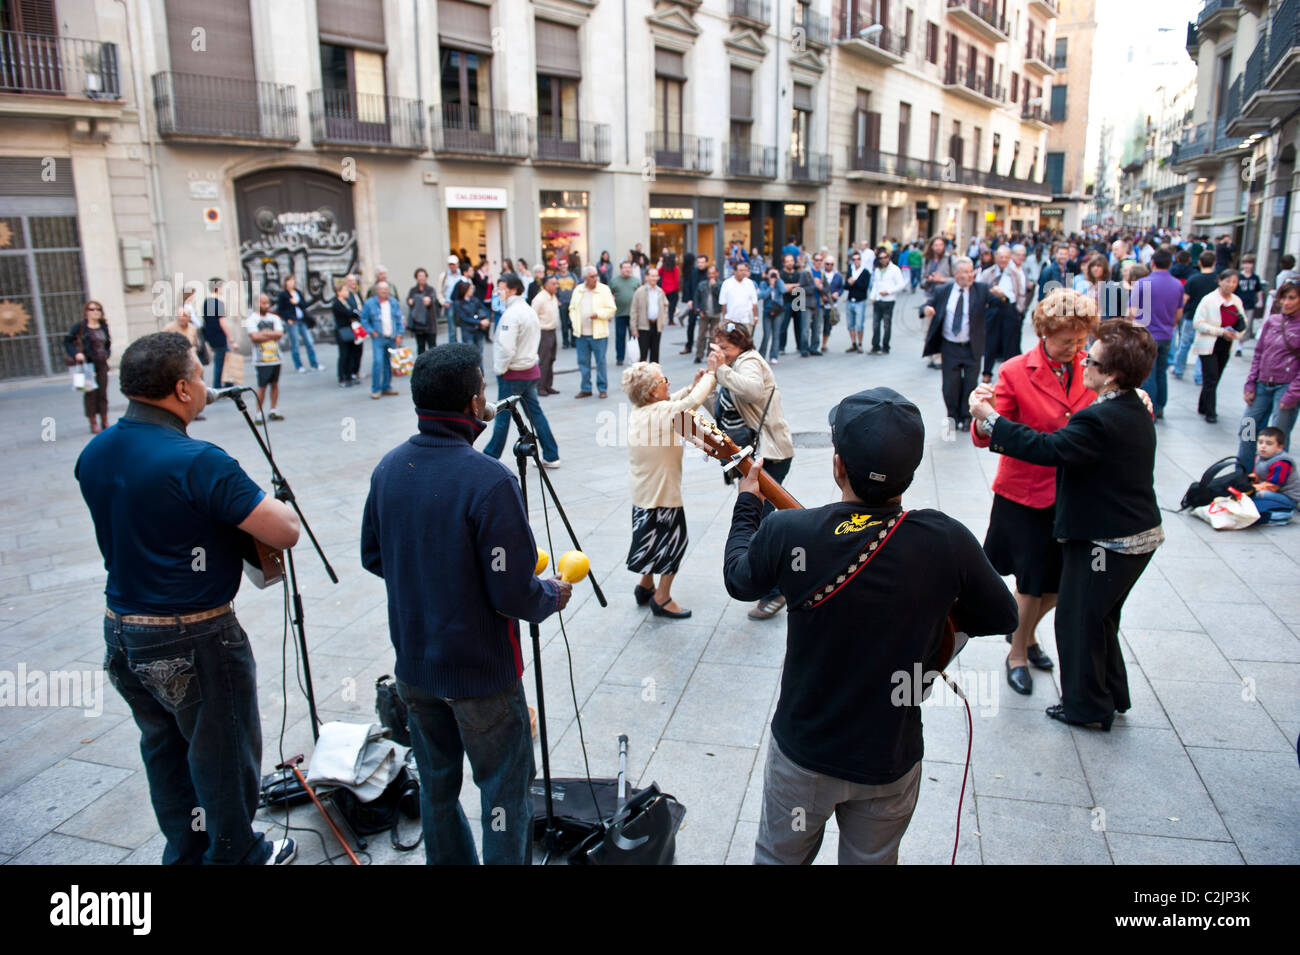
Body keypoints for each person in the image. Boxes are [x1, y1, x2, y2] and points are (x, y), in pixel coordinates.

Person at [723, 387, 1018, 864]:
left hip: (805, 754)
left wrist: (747, 505)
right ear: (912, 471)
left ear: (837, 464)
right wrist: (938, 647)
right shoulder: (947, 540)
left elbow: (739, 578)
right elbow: (1004, 615)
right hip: (889, 755)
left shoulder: (789, 531)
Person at [76, 331, 301, 864]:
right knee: (221, 751)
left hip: (123, 629)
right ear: (180, 389)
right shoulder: (197, 460)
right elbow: (285, 530)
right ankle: (235, 851)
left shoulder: (96, 451)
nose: (205, 383)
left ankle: (186, 848)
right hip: (194, 634)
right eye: (199, 374)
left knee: (165, 750)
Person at [361, 344, 573, 864]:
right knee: (503, 793)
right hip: (481, 674)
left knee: (436, 787)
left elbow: (373, 556)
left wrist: (433, 574)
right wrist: (551, 594)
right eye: (482, 387)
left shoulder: (390, 467)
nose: (487, 396)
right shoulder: (489, 479)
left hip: (415, 668)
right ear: (472, 401)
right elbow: (512, 592)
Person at [970, 321, 1161, 731]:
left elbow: (1047, 448)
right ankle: (1111, 695)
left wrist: (990, 420)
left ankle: (1086, 708)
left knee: (1078, 621)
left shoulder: (1100, 418)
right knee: (1102, 618)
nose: (1081, 360)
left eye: (1089, 357)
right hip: (1127, 534)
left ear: (1110, 374)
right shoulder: (1133, 405)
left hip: (1108, 543)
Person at [971, 289, 1098, 695]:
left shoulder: (1090, 366)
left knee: (1061, 584)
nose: (1076, 349)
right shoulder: (1014, 370)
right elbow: (986, 431)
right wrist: (981, 413)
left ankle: (1023, 635)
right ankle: (1018, 654)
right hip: (1025, 494)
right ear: (1045, 333)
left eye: (1081, 341)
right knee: (1030, 582)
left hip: (1074, 493)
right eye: (1067, 341)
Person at [706, 323, 795, 620]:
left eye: (726, 349)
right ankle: (777, 587)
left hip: (770, 453)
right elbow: (729, 409)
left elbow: (753, 391)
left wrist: (720, 370)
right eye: (719, 349)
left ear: (740, 346)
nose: (723, 354)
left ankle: (776, 590)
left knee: (763, 525)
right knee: (762, 520)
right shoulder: (736, 365)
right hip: (757, 454)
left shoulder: (750, 362)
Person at [621, 354, 719, 619]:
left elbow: (675, 400)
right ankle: (662, 598)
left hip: (643, 492)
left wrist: (693, 384)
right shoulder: (662, 412)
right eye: (663, 381)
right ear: (653, 391)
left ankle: (646, 585)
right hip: (663, 494)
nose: (667, 383)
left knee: (651, 539)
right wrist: (711, 373)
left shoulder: (641, 410)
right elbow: (690, 403)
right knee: (675, 543)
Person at [483, 275, 561, 467]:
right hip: (529, 369)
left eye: (501, 288)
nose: (498, 292)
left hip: (514, 372)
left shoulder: (512, 314)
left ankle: (490, 458)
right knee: (535, 413)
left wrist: (500, 368)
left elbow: (506, 347)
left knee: (502, 416)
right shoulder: (527, 310)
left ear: (512, 290)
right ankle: (551, 454)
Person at [922, 257, 990, 430]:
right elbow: (927, 305)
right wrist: (927, 310)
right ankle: (952, 415)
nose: (970, 275)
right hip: (950, 346)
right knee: (950, 386)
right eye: (966, 271)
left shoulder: (981, 290)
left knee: (970, 384)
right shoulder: (943, 290)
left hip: (971, 346)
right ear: (956, 274)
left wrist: (1002, 296)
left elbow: (999, 303)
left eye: (971, 271)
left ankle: (967, 417)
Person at [1238, 281, 1300, 470]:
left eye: (1292, 298)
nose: (1286, 302)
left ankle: (1274, 480)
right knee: (1247, 428)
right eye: (1283, 297)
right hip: (1262, 384)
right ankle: (1242, 475)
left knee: (1277, 437)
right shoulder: (1272, 321)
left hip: (1286, 387)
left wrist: (1293, 393)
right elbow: (1259, 353)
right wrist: (1250, 383)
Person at [1134, 248, 1183, 420]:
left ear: (1152, 263)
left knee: (1149, 373)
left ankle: (1151, 408)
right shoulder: (1177, 285)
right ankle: (1161, 405)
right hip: (1166, 334)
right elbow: (1178, 314)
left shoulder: (1142, 283)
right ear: (1170, 264)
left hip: (1147, 334)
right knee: (1161, 371)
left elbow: (1133, 311)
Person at [1191, 269, 1245, 423]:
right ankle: (1210, 411)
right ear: (1220, 281)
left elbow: (1243, 323)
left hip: (1226, 344)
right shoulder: (1209, 300)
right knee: (1211, 377)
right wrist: (1220, 331)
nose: (1231, 285)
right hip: (1209, 343)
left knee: (1215, 377)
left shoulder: (1236, 301)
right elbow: (1198, 323)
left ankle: (1203, 404)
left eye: (1234, 282)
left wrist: (1235, 334)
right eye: (1227, 281)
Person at [64, 299, 112, 433]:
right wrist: (76, 354)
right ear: (86, 312)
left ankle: (104, 420)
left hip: (101, 364)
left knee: (102, 392)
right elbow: (67, 342)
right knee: (90, 393)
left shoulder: (103, 326)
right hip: (86, 364)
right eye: (92, 309)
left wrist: (107, 354)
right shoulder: (80, 327)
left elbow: (107, 343)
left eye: (98, 309)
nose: (95, 312)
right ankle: (93, 422)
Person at [1172, 250, 1220, 382]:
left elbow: (1184, 299)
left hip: (1191, 316)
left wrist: (1178, 314)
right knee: (1204, 348)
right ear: (1214, 263)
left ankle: (1178, 369)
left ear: (1199, 262)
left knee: (1184, 344)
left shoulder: (1193, 279)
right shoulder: (1217, 280)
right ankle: (1199, 376)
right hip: (1210, 319)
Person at [568, 265, 615, 398]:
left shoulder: (604, 289)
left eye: (596, 275)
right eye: (592, 276)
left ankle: (602, 388)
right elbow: (572, 308)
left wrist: (598, 314)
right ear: (585, 278)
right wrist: (574, 322)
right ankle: (586, 388)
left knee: (600, 362)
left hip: (599, 334)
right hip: (581, 333)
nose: (595, 278)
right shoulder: (578, 290)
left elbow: (611, 308)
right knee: (583, 362)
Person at [360, 281, 405, 399]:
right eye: (381, 289)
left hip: (391, 337)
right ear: (377, 290)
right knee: (378, 362)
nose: (384, 291)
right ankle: (375, 389)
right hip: (378, 338)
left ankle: (386, 386)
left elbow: (399, 319)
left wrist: (400, 334)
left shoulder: (393, 302)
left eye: (386, 289)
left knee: (389, 363)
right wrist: (371, 331)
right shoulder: (370, 303)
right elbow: (364, 319)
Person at [246, 293, 285, 422]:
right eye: (263, 303)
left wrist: (264, 333)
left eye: (267, 303)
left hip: (275, 357)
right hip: (261, 359)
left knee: (275, 384)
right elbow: (254, 337)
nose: (266, 305)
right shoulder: (252, 319)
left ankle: (273, 409)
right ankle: (258, 412)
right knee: (262, 386)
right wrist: (271, 334)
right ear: (257, 304)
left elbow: (279, 334)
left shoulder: (274, 318)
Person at [1249, 427, 1299, 525]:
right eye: (1260, 442)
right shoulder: (1260, 457)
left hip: (1288, 497)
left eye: (1269, 444)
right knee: (1250, 499)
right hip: (1274, 492)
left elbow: (1273, 486)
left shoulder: (1281, 462)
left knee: (1260, 494)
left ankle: (1282, 514)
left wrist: (1251, 488)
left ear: (1279, 447)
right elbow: (1256, 475)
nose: (1263, 446)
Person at [275, 274, 321, 373]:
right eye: (289, 281)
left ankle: (314, 364)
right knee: (295, 344)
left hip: (302, 320)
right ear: (286, 282)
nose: (291, 283)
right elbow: (280, 310)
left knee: (309, 342)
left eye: (293, 281)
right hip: (292, 322)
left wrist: (297, 302)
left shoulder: (298, 293)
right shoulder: (283, 295)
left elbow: (304, 305)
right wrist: (287, 319)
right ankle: (298, 366)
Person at [868, 245, 905, 355]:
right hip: (878, 300)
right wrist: (872, 296)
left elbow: (901, 285)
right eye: (881, 258)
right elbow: (875, 284)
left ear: (889, 258)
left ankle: (885, 346)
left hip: (888, 300)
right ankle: (875, 346)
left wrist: (888, 291)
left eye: (885, 257)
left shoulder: (895, 269)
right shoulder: (878, 270)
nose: (883, 259)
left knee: (886, 324)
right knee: (875, 324)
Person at [630, 265, 669, 365]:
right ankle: (641, 379)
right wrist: (634, 329)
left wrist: (663, 320)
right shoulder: (639, 292)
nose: (654, 278)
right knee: (642, 356)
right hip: (643, 327)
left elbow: (666, 306)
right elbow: (633, 310)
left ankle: (655, 378)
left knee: (655, 355)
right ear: (646, 277)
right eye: (652, 276)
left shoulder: (660, 291)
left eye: (656, 276)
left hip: (656, 325)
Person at [532, 274, 561, 396]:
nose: (556, 286)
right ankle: (540, 387)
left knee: (551, 359)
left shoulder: (553, 296)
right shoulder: (539, 299)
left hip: (552, 331)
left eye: (556, 283)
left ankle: (548, 385)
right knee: (544, 360)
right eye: (553, 284)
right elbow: (532, 317)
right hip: (543, 332)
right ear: (546, 285)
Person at [331, 279, 364, 387]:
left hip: (350, 330)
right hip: (342, 331)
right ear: (338, 292)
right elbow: (349, 313)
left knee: (351, 353)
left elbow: (354, 312)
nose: (347, 293)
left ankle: (350, 375)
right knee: (344, 354)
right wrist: (353, 314)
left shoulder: (347, 302)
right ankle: (342, 377)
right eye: (345, 290)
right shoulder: (337, 304)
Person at [608, 259, 641, 366]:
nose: (627, 269)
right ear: (621, 269)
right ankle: (620, 357)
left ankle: (634, 357)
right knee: (620, 337)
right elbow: (608, 296)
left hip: (633, 315)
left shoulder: (636, 281)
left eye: (629, 267)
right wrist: (609, 312)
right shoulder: (614, 281)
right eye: (625, 267)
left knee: (634, 337)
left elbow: (641, 297)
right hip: (620, 314)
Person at [452, 278, 492, 359]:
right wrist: (480, 322)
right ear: (465, 290)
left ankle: (481, 371)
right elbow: (464, 318)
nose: (472, 290)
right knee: (470, 355)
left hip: (479, 331)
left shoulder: (475, 300)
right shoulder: (457, 303)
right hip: (468, 331)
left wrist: (487, 319)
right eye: (470, 288)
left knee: (479, 355)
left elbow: (485, 309)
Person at [201, 278, 230, 387]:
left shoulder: (206, 302)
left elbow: (207, 321)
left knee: (222, 361)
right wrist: (230, 338)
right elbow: (222, 322)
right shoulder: (218, 303)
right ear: (218, 288)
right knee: (222, 362)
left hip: (212, 336)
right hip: (220, 336)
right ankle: (219, 386)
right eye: (222, 287)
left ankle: (227, 384)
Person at [694, 264, 723, 364]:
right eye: (709, 273)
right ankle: (699, 355)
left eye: (713, 273)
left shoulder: (720, 285)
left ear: (717, 274)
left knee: (713, 336)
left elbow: (721, 297)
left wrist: (714, 286)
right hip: (704, 313)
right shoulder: (702, 284)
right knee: (701, 335)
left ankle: (710, 355)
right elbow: (696, 298)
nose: (711, 275)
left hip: (716, 314)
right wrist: (698, 311)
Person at [1235, 254, 1264, 352]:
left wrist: (1260, 300)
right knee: (1235, 323)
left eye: (1249, 263)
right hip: (1238, 304)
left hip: (1250, 304)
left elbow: (1259, 290)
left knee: (1246, 325)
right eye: (1245, 263)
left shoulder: (1255, 277)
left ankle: (1240, 345)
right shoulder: (1238, 276)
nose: (1247, 266)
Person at [758, 268, 787, 362]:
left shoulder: (779, 282)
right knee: (766, 335)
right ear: (766, 275)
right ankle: (761, 356)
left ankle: (774, 356)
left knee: (776, 334)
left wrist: (778, 280)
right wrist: (770, 286)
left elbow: (783, 290)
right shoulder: (763, 284)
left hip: (779, 311)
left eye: (775, 274)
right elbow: (762, 296)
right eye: (771, 274)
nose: (773, 276)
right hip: (767, 310)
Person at [406, 268, 438, 355]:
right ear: (416, 277)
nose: (421, 278)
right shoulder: (413, 290)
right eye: (419, 276)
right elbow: (409, 301)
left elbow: (432, 299)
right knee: (420, 348)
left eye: (423, 276)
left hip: (430, 324)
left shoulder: (430, 289)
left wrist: (421, 300)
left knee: (433, 348)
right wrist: (413, 301)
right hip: (418, 325)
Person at [720, 259, 759, 331]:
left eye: (744, 270)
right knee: (730, 341)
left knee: (745, 341)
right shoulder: (727, 283)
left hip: (746, 320)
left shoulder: (750, 283)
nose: (743, 272)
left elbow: (754, 302)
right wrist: (724, 319)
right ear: (734, 271)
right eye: (740, 270)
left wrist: (756, 316)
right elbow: (723, 303)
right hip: (730, 320)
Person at [844, 249, 870, 353]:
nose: (856, 261)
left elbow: (864, 287)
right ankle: (853, 343)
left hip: (860, 301)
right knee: (850, 324)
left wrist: (854, 282)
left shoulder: (865, 272)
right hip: (850, 300)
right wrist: (850, 283)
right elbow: (846, 286)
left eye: (858, 259)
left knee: (859, 324)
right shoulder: (850, 270)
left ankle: (860, 344)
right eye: (854, 259)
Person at [551, 256, 580, 349]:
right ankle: (565, 342)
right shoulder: (556, 277)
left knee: (572, 322)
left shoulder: (572, 275)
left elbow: (576, 287)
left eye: (564, 264)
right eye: (560, 264)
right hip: (562, 302)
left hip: (572, 303)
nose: (563, 266)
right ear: (558, 266)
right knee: (563, 323)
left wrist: (576, 300)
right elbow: (554, 290)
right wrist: (557, 301)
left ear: (567, 265)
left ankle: (574, 341)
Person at [438, 255, 465, 344]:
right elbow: (439, 292)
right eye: (450, 264)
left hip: (462, 304)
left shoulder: (462, 275)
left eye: (453, 264)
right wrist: (443, 302)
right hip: (450, 304)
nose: (452, 266)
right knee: (452, 328)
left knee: (464, 325)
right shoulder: (444, 276)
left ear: (458, 264)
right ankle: (453, 347)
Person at [658, 250, 681, 326]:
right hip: (672, 289)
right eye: (676, 258)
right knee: (672, 305)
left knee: (664, 305)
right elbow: (676, 280)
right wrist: (677, 289)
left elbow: (657, 273)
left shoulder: (663, 267)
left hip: (664, 289)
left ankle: (662, 319)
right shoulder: (675, 268)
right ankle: (671, 320)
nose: (677, 259)